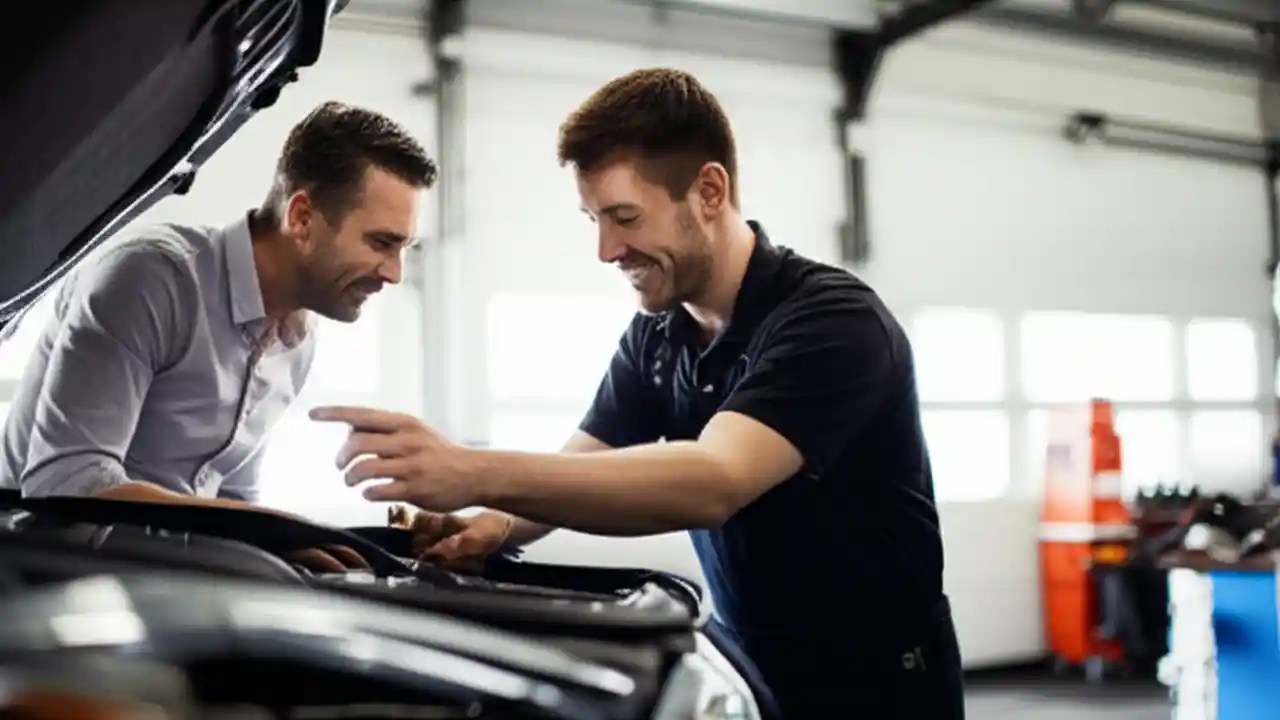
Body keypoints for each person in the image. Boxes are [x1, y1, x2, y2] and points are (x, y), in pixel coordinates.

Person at [312, 69, 963, 718]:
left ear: (709, 191)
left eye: (624, 217)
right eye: (594, 219)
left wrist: (471, 470)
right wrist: (489, 527)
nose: (605, 249)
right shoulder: (658, 334)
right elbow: (583, 463)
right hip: (752, 659)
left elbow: (713, 480)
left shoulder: (832, 322)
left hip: (880, 682)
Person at [0, 101, 436, 572]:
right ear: (302, 217)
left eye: (404, 248)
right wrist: (278, 533)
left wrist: (293, 553)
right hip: (41, 573)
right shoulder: (151, 279)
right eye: (381, 243)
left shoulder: (297, 339)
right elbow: (67, 481)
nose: (394, 274)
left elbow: (231, 498)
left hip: (164, 575)